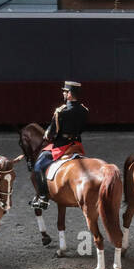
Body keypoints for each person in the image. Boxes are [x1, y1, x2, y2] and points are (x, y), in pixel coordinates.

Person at [31, 81, 88, 210]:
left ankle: (43, 197)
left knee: (38, 166)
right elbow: (82, 128)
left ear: (69, 94)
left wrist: (47, 134)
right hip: (76, 145)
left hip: (62, 145)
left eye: (65, 91)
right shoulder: (84, 110)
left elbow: (52, 133)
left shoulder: (61, 111)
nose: (63, 93)